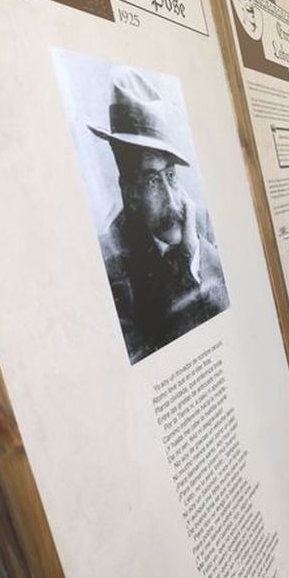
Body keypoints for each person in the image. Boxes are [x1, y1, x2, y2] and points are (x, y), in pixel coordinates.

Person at [92, 68, 230, 364]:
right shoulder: (109, 265)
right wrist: (188, 274)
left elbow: (234, 325)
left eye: (170, 175)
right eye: (152, 181)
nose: (171, 199)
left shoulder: (203, 225)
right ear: (129, 192)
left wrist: (194, 256)